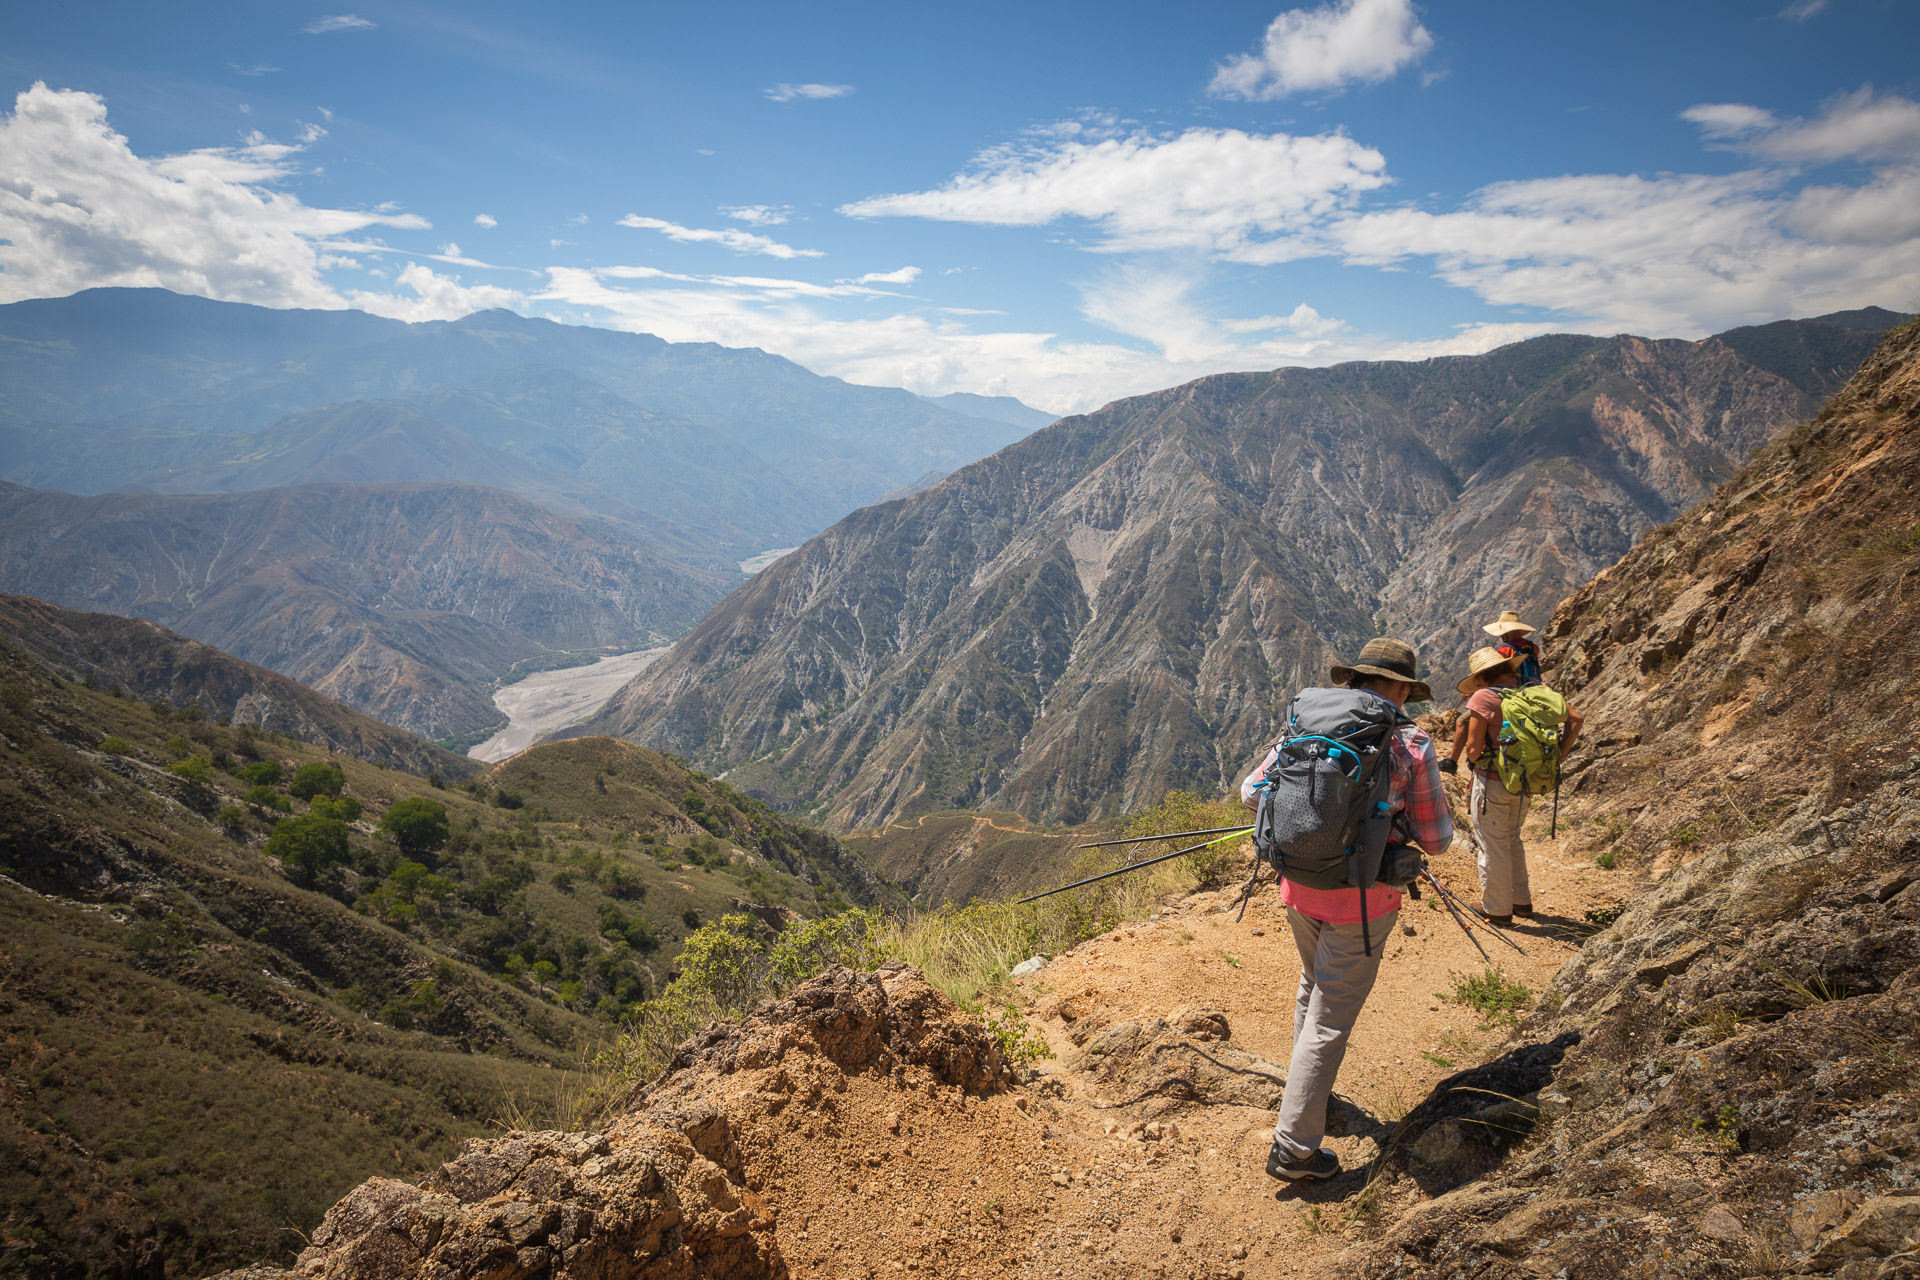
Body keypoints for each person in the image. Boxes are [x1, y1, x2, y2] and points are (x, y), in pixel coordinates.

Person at [1239, 638, 1453, 1182]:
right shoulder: (1410, 742)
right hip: (1362, 899)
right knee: (1330, 1017)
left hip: (1297, 886)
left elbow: (1249, 792)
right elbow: (1437, 839)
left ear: (1356, 680)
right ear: (1402, 688)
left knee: (1312, 987)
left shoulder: (1302, 727)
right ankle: (1295, 1150)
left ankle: (1307, 1099)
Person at [1449, 647, 1582, 923]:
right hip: (1527, 779)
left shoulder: (1484, 696)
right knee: (1512, 838)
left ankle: (1496, 909)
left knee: (1492, 844)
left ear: (1482, 677)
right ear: (1509, 670)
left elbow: (1473, 747)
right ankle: (1521, 901)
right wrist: (1559, 756)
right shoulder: (1534, 690)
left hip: (1494, 781)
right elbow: (1576, 719)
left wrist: (1476, 760)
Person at [1483, 610, 1543, 686]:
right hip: (1536, 684)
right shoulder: (1534, 647)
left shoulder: (1505, 651)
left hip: (1517, 688)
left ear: (1507, 632)